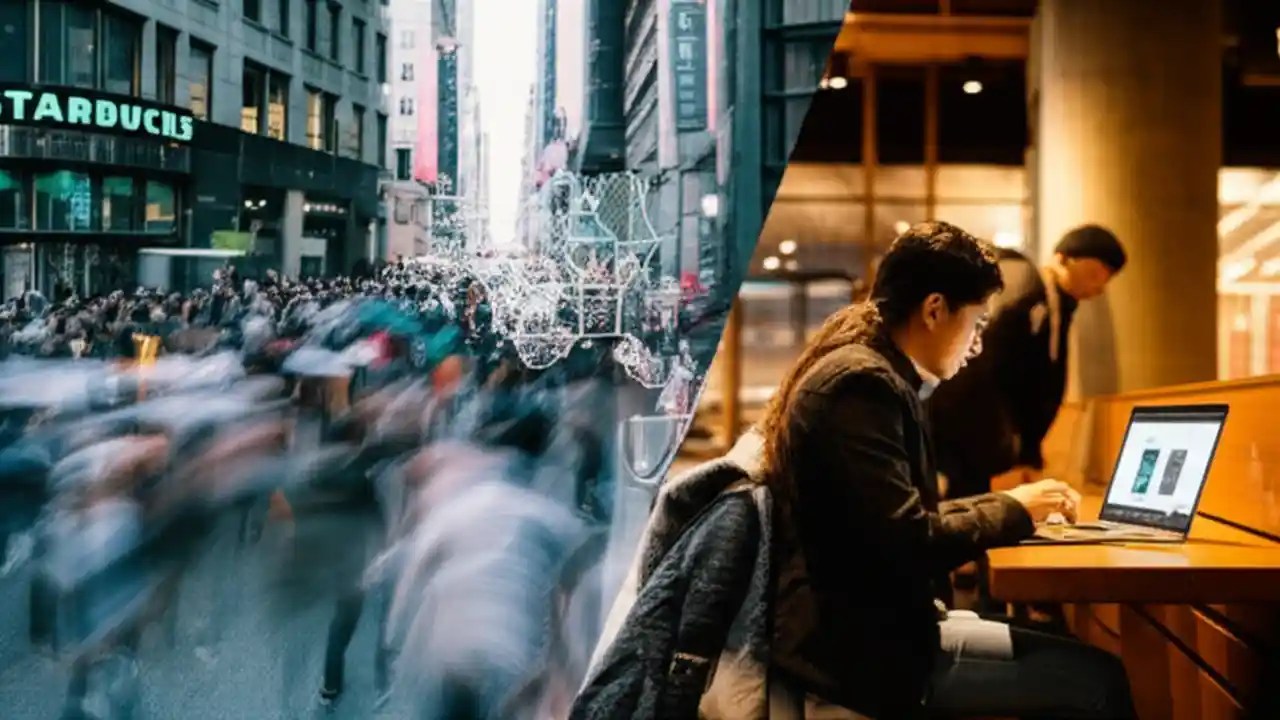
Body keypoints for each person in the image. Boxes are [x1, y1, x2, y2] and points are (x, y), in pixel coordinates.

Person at [754, 221, 1135, 719]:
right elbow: (908, 539)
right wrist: (1013, 511)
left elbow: (898, 519)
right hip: (858, 659)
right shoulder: (861, 386)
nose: (977, 345)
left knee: (1063, 647)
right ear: (935, 309)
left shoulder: (872, 371)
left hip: (871, 630)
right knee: (1100, 680)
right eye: (977, 324)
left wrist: (1015, 505)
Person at [929, 225, 1127, 500]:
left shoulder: (1056, 304)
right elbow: (984, 370)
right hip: (973, 445)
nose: (1097, 288)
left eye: (1105, 281)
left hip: (986, 446)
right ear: (1063, 258)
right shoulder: (1028, 294)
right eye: (1095, 274)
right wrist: (1008, 453)